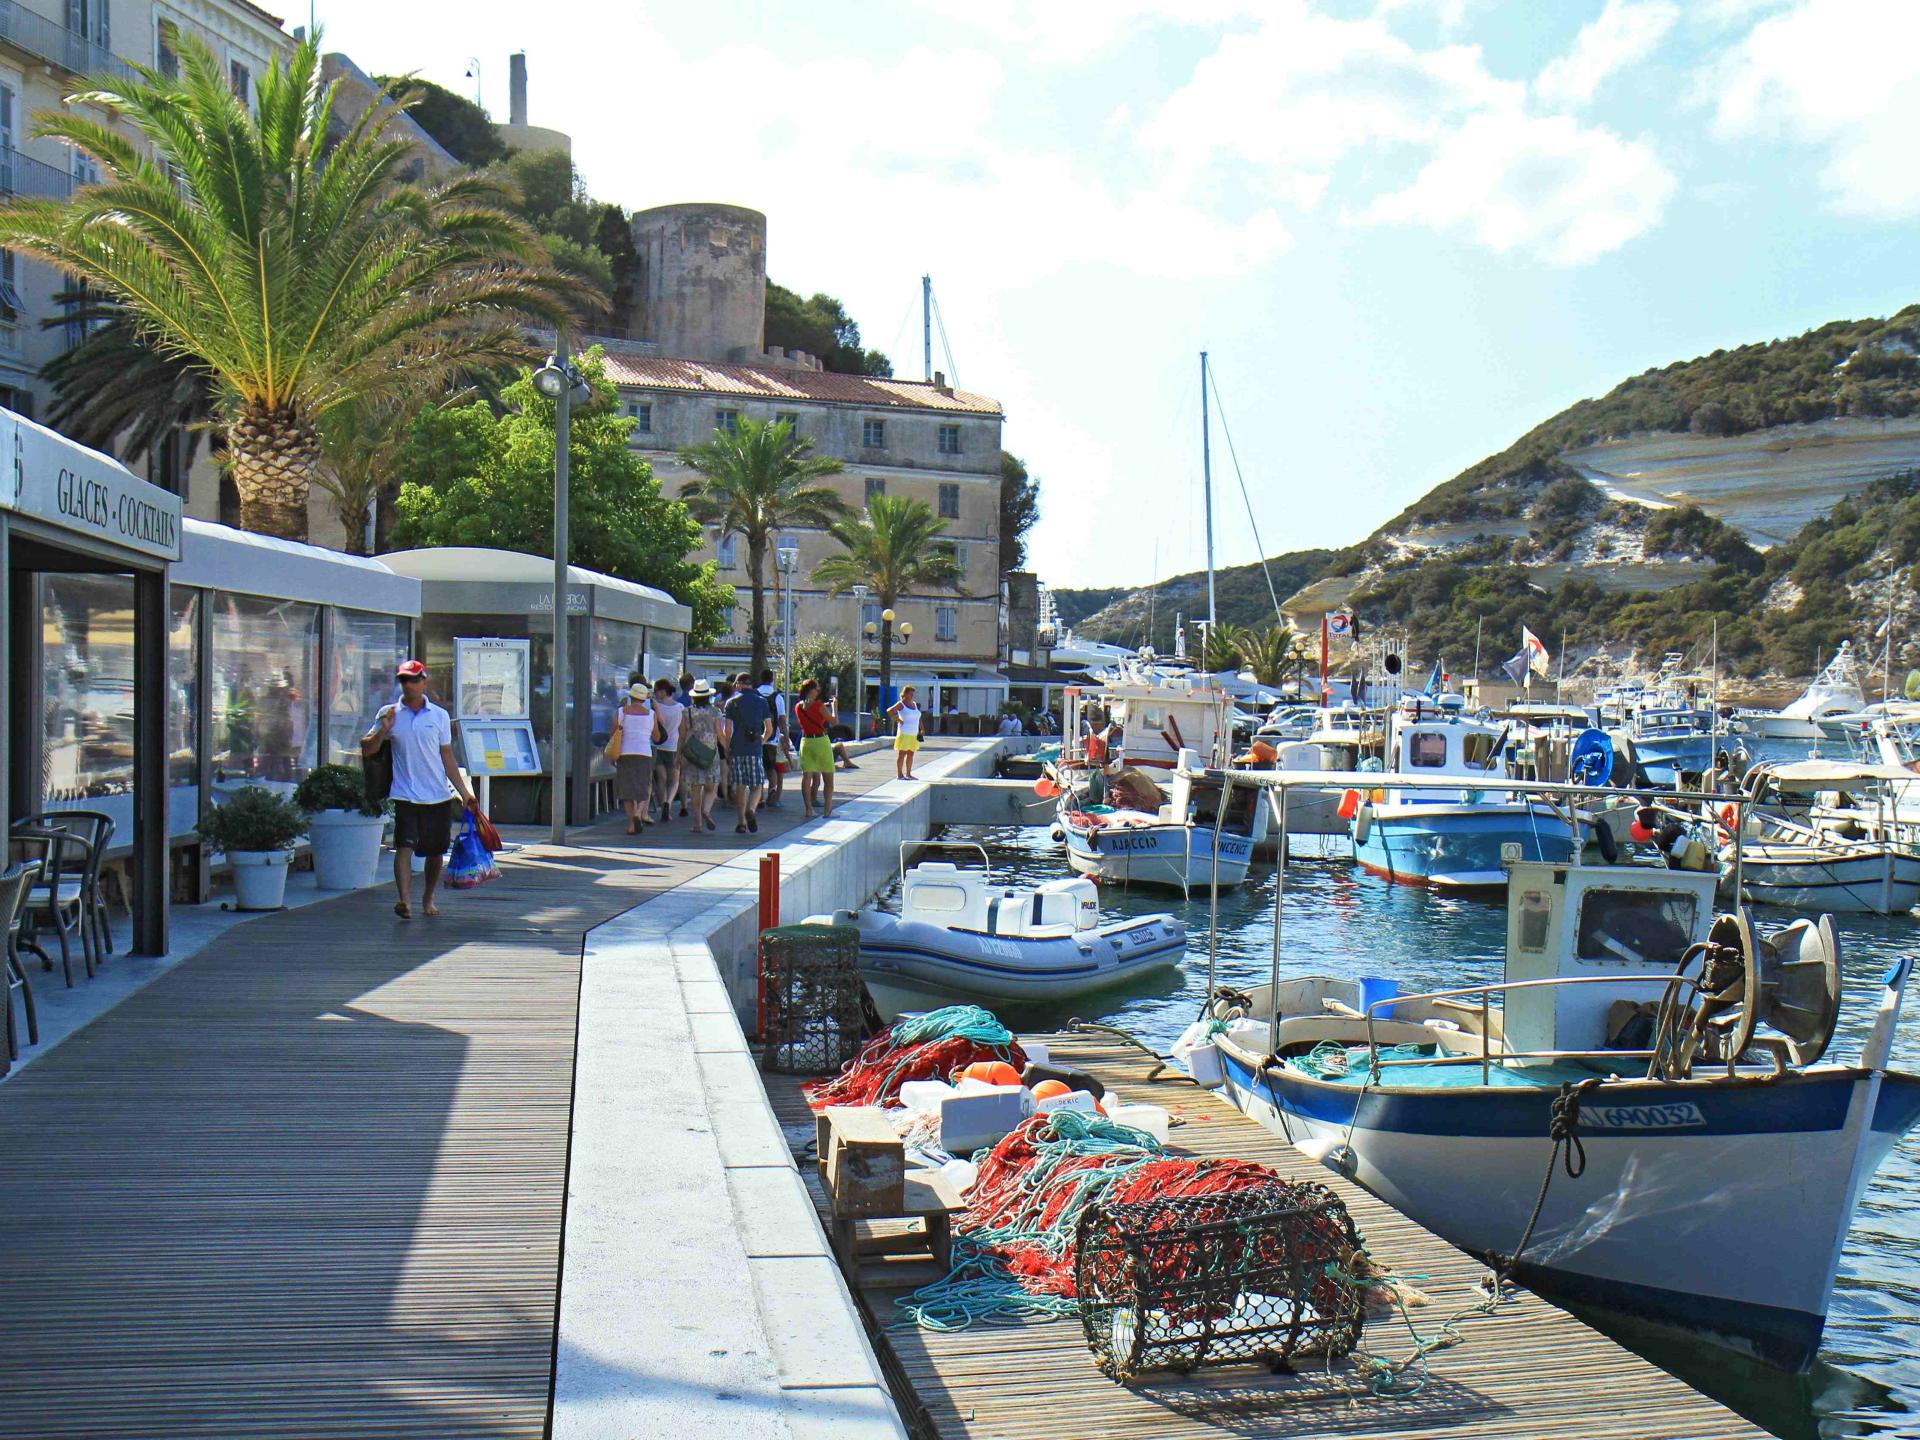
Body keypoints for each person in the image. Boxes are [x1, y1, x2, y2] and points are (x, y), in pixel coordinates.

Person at [361, 658, 476, 919]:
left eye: (414, 679)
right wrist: (384, 730)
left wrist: (464, 792)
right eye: (404, 680)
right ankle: (404, 900)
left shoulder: (439, 716)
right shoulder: (389, 713)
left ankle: (427, 897)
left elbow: (447, 757)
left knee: (435, 853)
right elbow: (367, 748)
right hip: (405, 793)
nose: (408, 685)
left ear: (424, 681)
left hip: (437, 794)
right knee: (404, 845)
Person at [724, 671, 771, 833]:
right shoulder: (762, 702)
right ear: (751, 684)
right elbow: (769, 729)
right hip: (754, 749)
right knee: (757, 785)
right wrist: (762, 741)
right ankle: (751, 809)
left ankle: (741, 823)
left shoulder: (731, 703)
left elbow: (727, 730)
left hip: (737, 749)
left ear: (738, 684)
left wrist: (727, 748)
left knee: (740, 786)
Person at [612, 682, 662, 835]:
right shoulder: (651, 714)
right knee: (643, 786)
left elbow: (613, 734)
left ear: (631, 696)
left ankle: (631, 824)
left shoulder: (621, 712)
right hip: (644, 753)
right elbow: (657, 736)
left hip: (625, 753)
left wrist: (613, 754)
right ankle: (638, 813)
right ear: (644, 698)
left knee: (626, 789)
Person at [680, 679, 726, 833]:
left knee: (695, 789)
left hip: (692, 753)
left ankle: (697, 824)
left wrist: (677, 755)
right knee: (711, 787)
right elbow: (720, 734)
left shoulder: (687, 712)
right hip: (710, 752)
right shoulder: (715, 712)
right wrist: (727, 749)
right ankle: (706, 810)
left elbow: (682, 735)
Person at [795, 678, 838, 820]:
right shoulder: (819, 705)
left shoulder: (798, 706)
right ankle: (827, 811)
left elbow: (811, 710)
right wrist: (834, 707)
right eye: (817, 689)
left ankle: (808, 809)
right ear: (811, 690)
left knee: (807, 776)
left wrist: (823, 707)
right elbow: (834, 721)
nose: (818, 691)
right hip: (820, 741)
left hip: (806, 741)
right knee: (828, 777)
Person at [651, 678, 685, 820]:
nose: (655, 694)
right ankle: (669, 802)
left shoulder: (656, 707)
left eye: (657, 690)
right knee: (674, 780)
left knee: (661, 779)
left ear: (663, 691)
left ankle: (663, 805)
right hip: (674, 745)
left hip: (658, 745)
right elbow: (682, 729)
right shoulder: (680, 708)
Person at [757, 668, 788, 809]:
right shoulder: (777, 697)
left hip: (755, 737)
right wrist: (785, 738)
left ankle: (758, 798)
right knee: (771, 767)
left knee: (758, 768)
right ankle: (772, 793)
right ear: (772, 680)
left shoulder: (755, 694)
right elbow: (782, 719)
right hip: (772, 738)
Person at [889, 684, 924, 781]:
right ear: (905, 694)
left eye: (913, 694)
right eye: (910, 694)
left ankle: (908, 773)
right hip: (904, 732)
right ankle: (900, 774)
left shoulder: (914, 704)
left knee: (911, 754)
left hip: (914, 733)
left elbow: (918, 717)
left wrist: (921, 728)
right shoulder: (901, 704)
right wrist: (898, 720)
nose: (912, 696)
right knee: (902, 753)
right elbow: (890, 711)